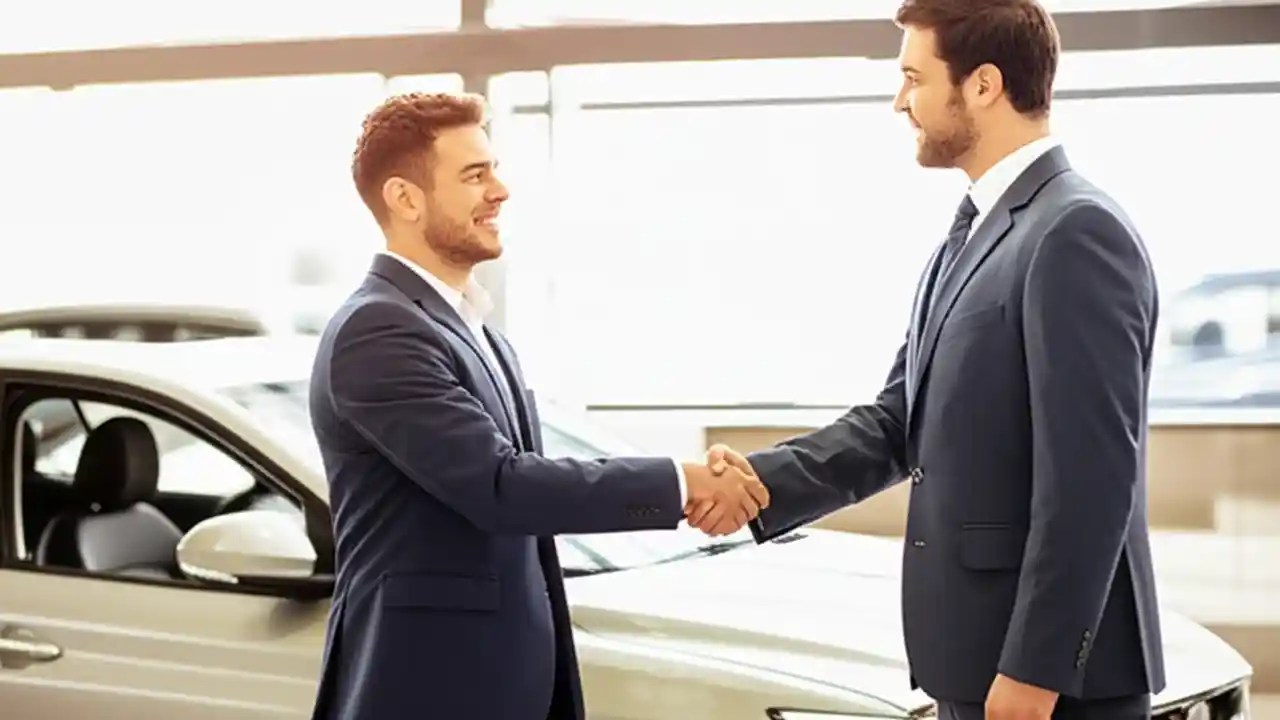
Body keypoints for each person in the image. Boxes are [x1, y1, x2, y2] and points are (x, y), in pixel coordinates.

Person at [695, 1, 1164, 718]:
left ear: (982, 84)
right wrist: (761, 483)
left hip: (1045, 688)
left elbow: (1092, 478)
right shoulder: (974, 236)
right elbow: (897, 421)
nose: (899, 102)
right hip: (974, 664)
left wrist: (1035, 674)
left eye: (913, 78)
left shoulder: (1075, 231)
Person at [307, 92, 768, 720]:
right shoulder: (379, 331)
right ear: (405, 198)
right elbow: (501, 486)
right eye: (474, 174)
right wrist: (680, 482)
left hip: (498, 677)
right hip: (426, 684)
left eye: (494, 168)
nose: (500, 190)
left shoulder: (473, 328)